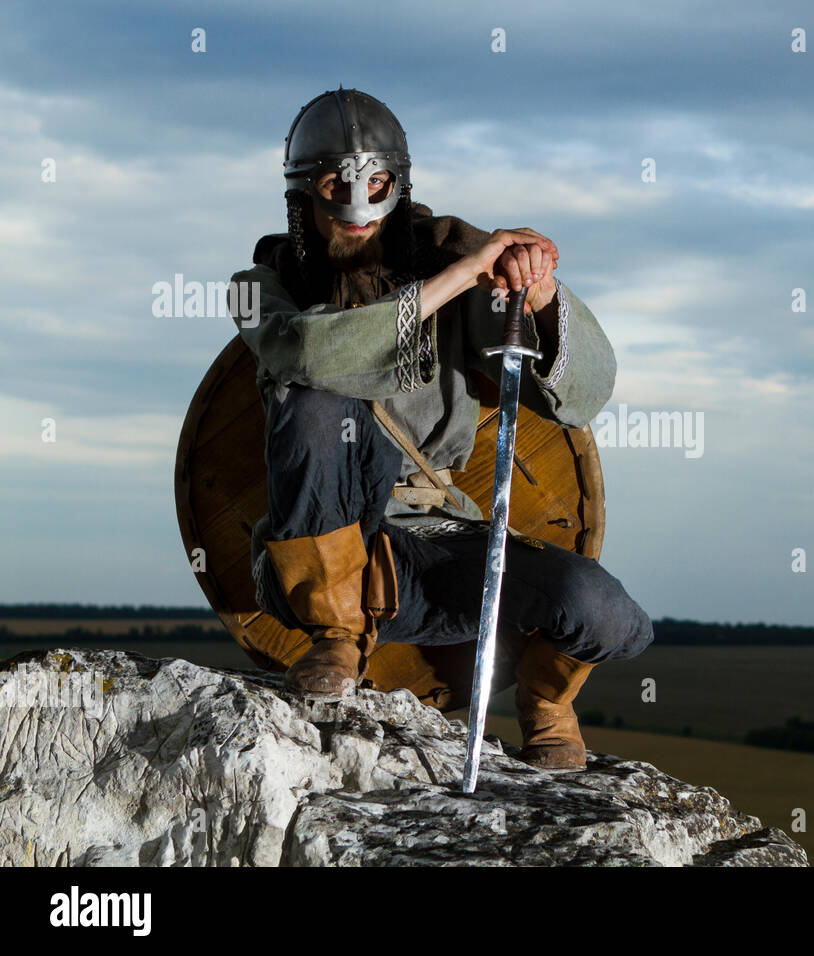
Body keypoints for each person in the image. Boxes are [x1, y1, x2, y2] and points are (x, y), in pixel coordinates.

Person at [226, 88, 653, 770]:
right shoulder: (257, 287)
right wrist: (456, 277)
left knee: (596, 607)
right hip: (330, 561)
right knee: (315, 398)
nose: (355, 200)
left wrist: (536, 295)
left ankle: (546, 704)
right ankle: (338, 637)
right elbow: (307, 354)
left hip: (443, 550)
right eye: (335, 180)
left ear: (399, 186)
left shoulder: (453, 263)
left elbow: (583, 398)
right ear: (303, 194)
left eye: (376, 181)